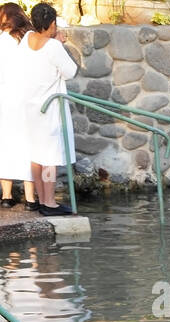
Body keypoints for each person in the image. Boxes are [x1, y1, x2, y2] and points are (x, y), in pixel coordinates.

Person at [17, 3, 76, 217]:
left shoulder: (26, 40)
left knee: (36, 155)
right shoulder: (53, 46)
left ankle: (42, 200)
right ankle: (50, 202)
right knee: (50, 156)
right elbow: (70, 72)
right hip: (49, 108)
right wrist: (58, 42)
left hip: (30, 106)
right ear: (52, 23)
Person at [0, 3, 36, 211]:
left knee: (5, 145)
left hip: (4, 97)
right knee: (28, 145)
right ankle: (30, 198)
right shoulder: (29, 39)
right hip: (26, 97)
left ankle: (6, 195)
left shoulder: (0, 40)